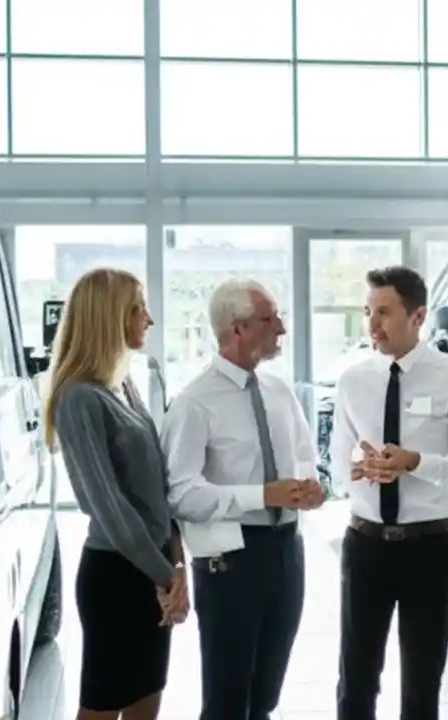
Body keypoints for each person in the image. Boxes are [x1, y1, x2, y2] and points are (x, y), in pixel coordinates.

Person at [160, 278, 325, 720]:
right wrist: (261, 495)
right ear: (238, 328)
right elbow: (181, 494)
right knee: (228, 698)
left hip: (287, 551)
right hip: (231, 560)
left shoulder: (280, 393)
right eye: (270, 321)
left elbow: (307, 457)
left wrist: (312, 486)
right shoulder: (195, 403)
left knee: (266, 693)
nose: (282, 331)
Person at [330, 266, 448, 720]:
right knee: (356, 680)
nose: (372, 324)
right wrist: (357, 471)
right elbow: (340, 462)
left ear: (418, 316)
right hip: (365, 546)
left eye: (383, 311)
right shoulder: (352, 381)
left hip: (429, 549)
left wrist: (414, 462)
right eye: (367, 312)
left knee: (422, 684)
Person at [43, 268, 190, 720]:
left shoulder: (123, 387)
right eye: (138, 308)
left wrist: (177, 563)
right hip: (117, 577)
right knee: (103, 707)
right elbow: (109, 507)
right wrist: (165, 574)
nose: (148, 319)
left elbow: (158, 492)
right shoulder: (80, 398)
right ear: (110, 318)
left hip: (154, 570)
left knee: (147, 700)